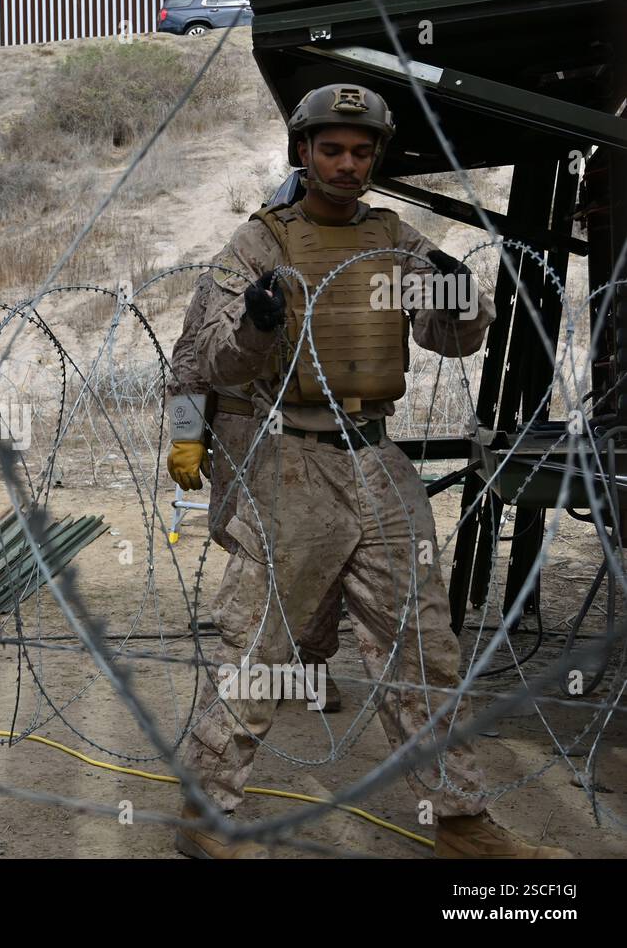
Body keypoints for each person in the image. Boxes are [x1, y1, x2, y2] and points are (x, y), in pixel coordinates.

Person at [170, 84, 569, 858]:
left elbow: (450, 340)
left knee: (422, 644)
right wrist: (255, 325)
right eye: (332, 150)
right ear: (303, 152)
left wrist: (461, 300)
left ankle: (460, 822)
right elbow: (207, 356)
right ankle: (205, 814)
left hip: (377, 460)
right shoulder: (261, 245)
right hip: (289, 461)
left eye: (361, 152)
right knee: (260, 650)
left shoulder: (394, 239)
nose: (347, 165)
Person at [167, 272, 343, 712]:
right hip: (241, 427)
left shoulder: (330, 267)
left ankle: (309, 662)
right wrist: (188, 434)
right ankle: (257, 661)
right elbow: (192, 357)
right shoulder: (226, 277)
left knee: (319, 543)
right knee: (248, 543)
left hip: (316, 427)